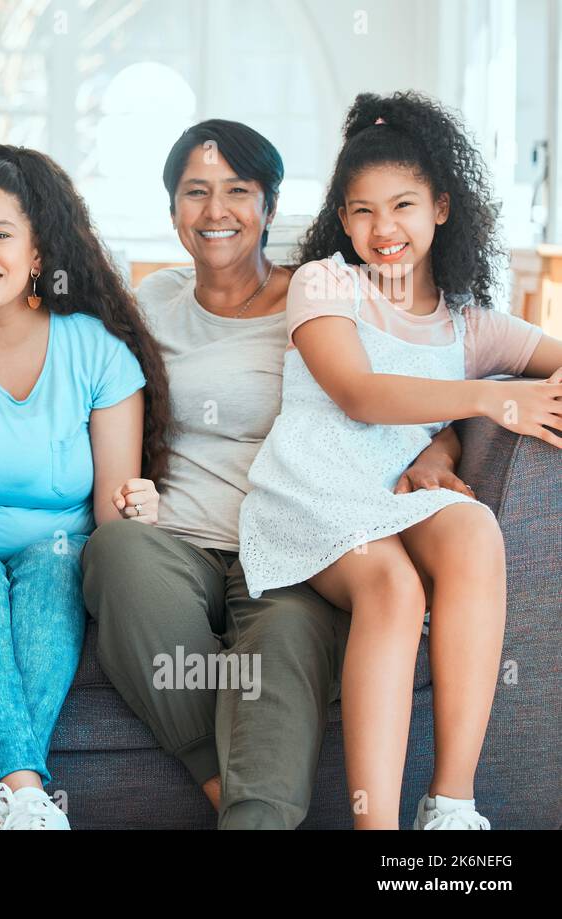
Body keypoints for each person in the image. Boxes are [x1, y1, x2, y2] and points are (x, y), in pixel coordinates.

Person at [81, 118, 473, 829]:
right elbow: (96, 390)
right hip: (178, 545)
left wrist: (437, 448)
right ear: (172, 210)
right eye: (195, 192)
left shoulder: (327, 295)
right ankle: (221, 782)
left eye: (238, 190)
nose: (216, 210)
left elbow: (427, 366)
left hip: (290, 552)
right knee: (115, 551)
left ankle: (254, 817)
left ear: (271, 205)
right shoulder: (152, 303)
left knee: (285, 642)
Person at [240, 91, 562, 829]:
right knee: (394, 585)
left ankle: (451, 805)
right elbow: (357, 391)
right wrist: (484, 404)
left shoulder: (469, 324)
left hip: (395, 499)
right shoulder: (327, 284)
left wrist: (445, 439)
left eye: (404, 205)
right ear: (341, 217)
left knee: (476, 527)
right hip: (313, 492)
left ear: (441, 208)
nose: (382, 229)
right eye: (361, 210)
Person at [0, 145, 171, 829]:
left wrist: (140, 509)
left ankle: (8, 797)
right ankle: (29, 793)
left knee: (54, 566)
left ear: (39, 251)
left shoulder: (99, 347)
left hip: (61, 541)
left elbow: (111, 507)